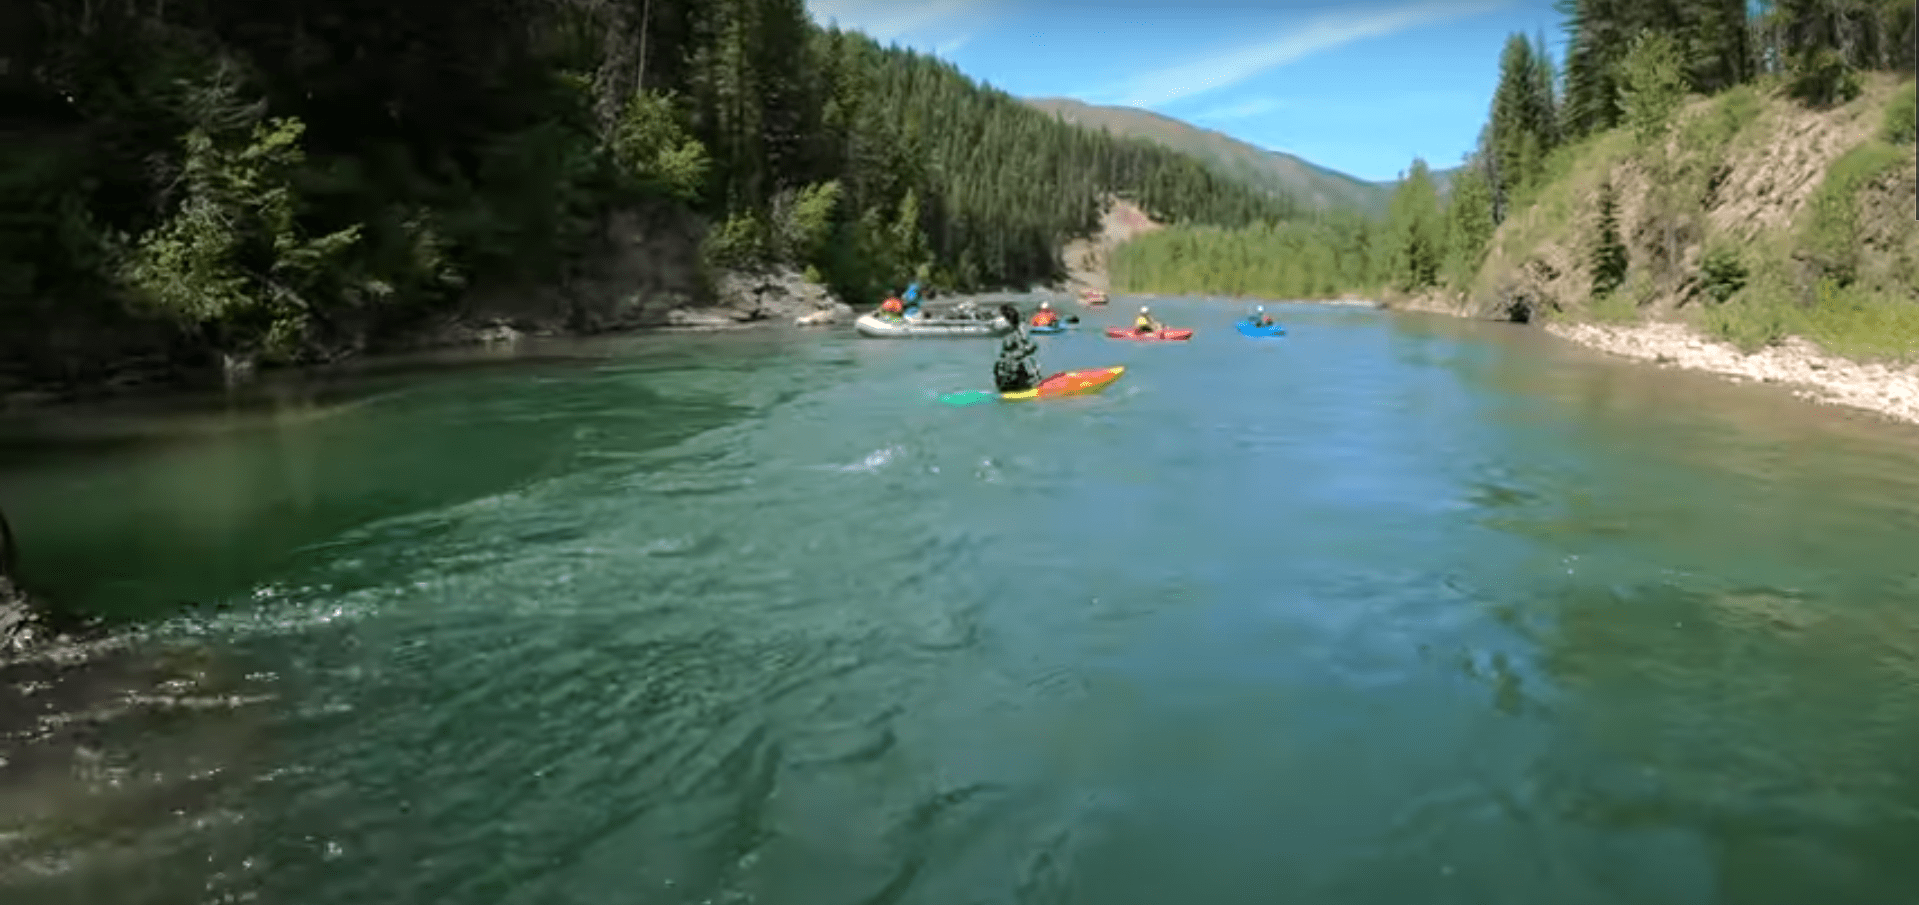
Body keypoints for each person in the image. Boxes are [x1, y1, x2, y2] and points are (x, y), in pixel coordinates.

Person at [993, 303, 1043, 392]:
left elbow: (1031, 346)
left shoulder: (1014, 334)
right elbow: (1031, 347)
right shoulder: (1013, 335)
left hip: (1011, 374)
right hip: (1012, 374)